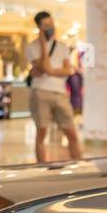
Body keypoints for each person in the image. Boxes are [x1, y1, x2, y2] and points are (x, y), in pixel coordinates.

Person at [25, 11, 82, 163]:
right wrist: (43, 45)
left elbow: (68, 70)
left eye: (51, 24)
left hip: (60, 93)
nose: (50, 28)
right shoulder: (32, 47)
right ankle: (42, 166)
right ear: (39, 27)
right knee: (41, 132)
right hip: (41, 93)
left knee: (71, 132)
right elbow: (44, 66)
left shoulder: (62, 46)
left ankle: (78, 164)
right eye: (46, 26)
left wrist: (49, 71)